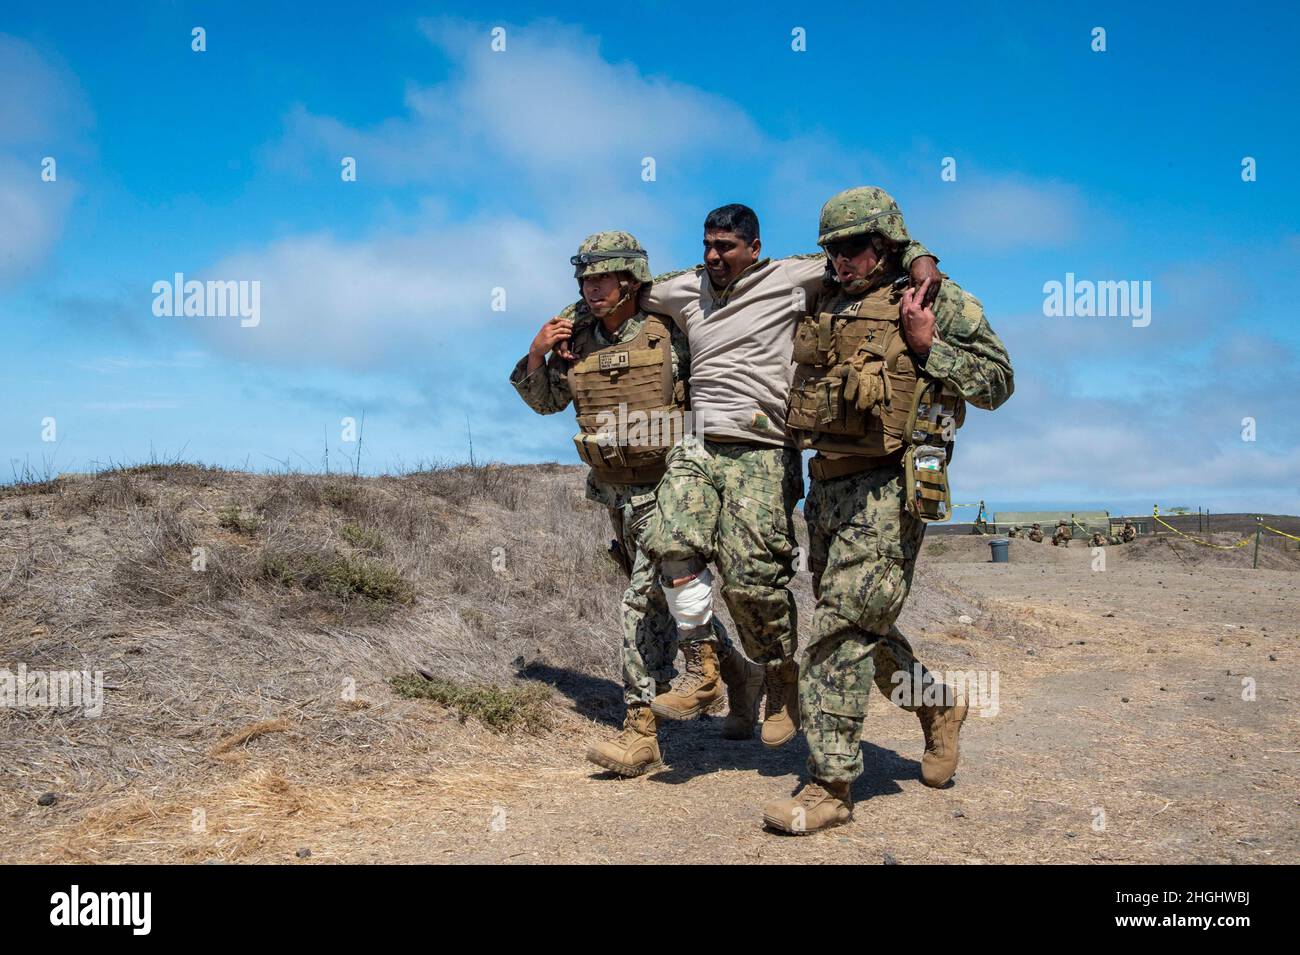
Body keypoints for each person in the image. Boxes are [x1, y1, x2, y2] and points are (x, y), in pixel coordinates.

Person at [637, 203, 942, 747]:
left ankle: (778, 674)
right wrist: (560, 332)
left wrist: (921, 257)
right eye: (707, 245)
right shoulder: (684, 287)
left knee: (753, 580)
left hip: (765, 449)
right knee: (671, 543)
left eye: (725, 247)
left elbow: (870, 258)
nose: (713, 256)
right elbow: (620, 292)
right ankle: (702, 667)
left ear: (754, 249)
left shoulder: (794, 276)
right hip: (698, 444)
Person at [760, 186, 1013, 834]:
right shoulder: (822, 291)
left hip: (891, 490)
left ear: (886, 243)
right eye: (832, 249)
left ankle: (831, 785)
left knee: (840, 631)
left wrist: (930, 349)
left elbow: (998, 383)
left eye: (853, 247)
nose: (840, 260)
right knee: (866, 628)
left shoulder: (934, 297)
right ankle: (937, 707)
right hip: (828, 488)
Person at [509, 231, 762, 776]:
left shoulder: (669, 331)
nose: (591, 288)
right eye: (585, 280)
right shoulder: (577, 338)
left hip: (671, 487)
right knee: (664, 600)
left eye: (603, 278)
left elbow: (713, 390)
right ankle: (741, 676)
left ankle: (640, 732)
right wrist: (536, 352)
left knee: (639, 605)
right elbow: (546, 402)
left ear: (631, 281)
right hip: (616, 493)